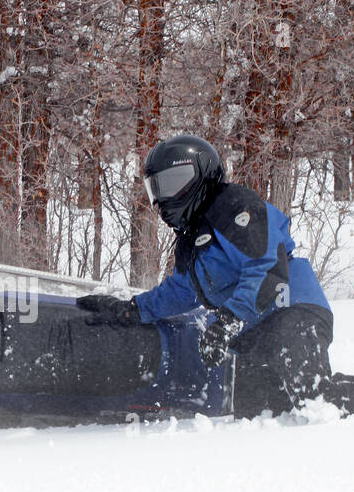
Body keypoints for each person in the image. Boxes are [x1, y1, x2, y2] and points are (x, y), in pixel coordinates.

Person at [76, 134, 334, 419]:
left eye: (173, 182)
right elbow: (182, 292)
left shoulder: (232, 206)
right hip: (251, 333)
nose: (164, 198)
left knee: (315, 402)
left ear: (201, 173)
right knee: (262, 415)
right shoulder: (191, 239)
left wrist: (227, 322)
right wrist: (131, 309)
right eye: (157, 187)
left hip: (291, 311)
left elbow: (267, 266)